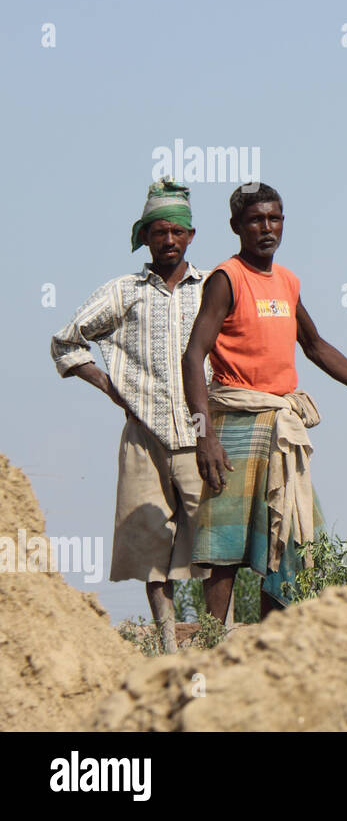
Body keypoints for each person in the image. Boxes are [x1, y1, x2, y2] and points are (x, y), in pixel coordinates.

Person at [181, 182, 347, 622]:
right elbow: (193, 355)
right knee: (225, 545)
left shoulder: (287, 282)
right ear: (236, 226)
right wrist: (203, 435)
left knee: (290, 536)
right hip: (234, 419)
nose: (266, 228)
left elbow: (315, 345)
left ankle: (272, 644)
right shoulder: (226, 279)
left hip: (280, 424)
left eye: (274, 218)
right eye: (255, 220)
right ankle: (214, 645)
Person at [50, 177, 209, 653]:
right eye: (159, 232)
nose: (168, 241)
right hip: (143, 432)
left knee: (210, 541)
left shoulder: (210, 289)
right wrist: (109, 387)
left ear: (191, 236)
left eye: (177, 232)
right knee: (149, 541)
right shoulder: (124, 292)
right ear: (146, 236)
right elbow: (65, 341)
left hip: (202, 431)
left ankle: (214, 637)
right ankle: (167, 642)